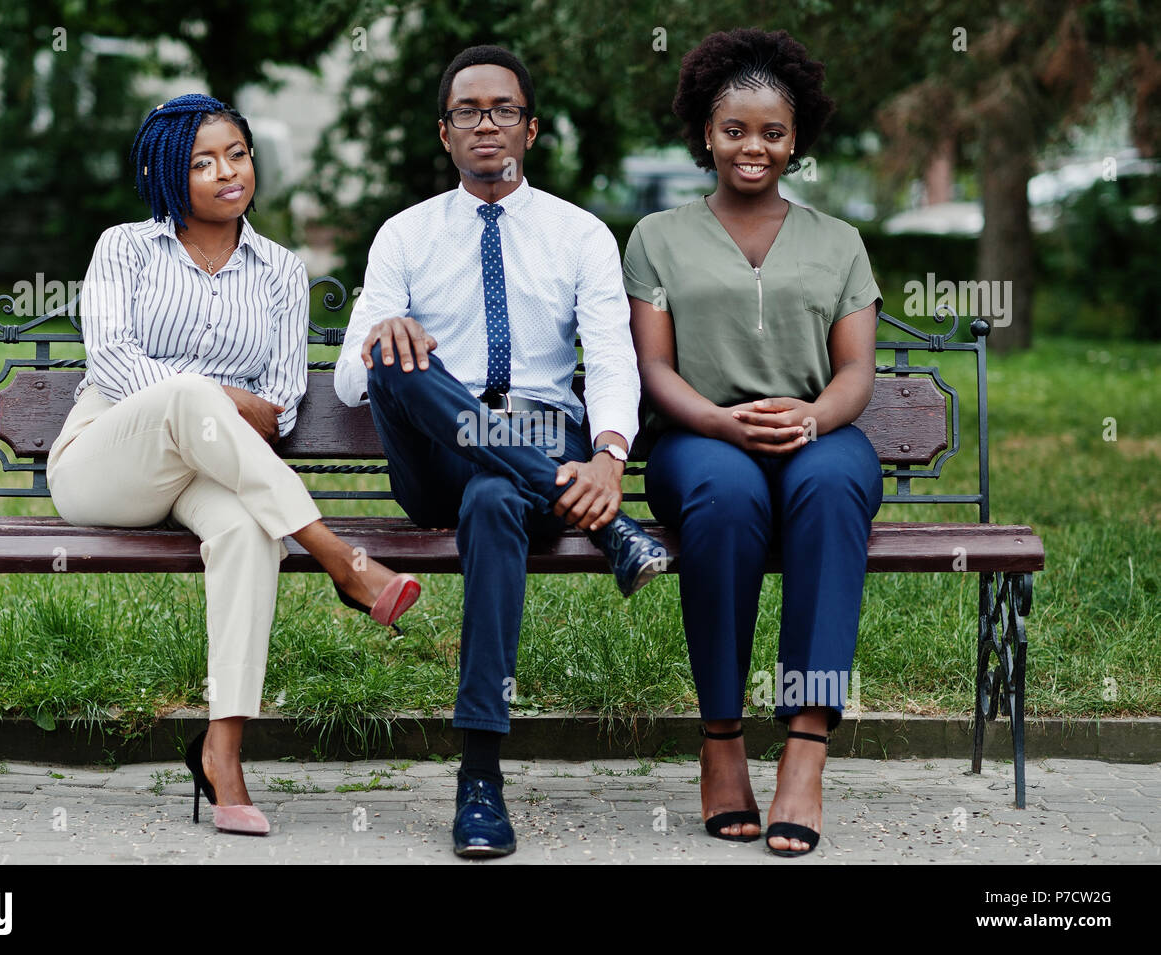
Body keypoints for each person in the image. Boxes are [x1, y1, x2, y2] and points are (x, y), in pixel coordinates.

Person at [46, 94, 421, 837]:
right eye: (202, 162)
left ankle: (224, 751)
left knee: (250, 533)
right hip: (106, 459)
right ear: (165, 173)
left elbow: (279, 402)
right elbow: (117, 364)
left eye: (237, 155)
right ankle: (340, 559)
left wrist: (212, 403)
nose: (226, 173)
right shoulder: (124, 247)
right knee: (185, 394)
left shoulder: (281, 270)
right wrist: (214, 396)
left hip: (214, 473)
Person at [333, 46, 669, 858]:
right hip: (435, 461)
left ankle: (479, 776)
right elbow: (348, 381)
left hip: (538, 439)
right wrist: (389, 333)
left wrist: (610, 457)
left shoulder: (580, 234)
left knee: (495, 497)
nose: (486, 125)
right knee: (391, 353)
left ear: (532, 127)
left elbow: (614, 359)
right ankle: (610, 527)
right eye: (467, 113)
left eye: (503, 110)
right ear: (443, 134)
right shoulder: (405, 235)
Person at [625, 28, 884, 857]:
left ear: (795, 139)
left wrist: (812, 418)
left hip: (818, 433)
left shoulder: (839, 242)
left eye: (772, 132)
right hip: (699, 438)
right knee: (725, 497)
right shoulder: (657, 237)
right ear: (707, 131)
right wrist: (717, 421)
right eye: (735, 128)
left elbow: (855, 375)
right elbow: (653, 368)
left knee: (833, 487)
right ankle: (723, 736)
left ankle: (805, 748)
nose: (753, 147)